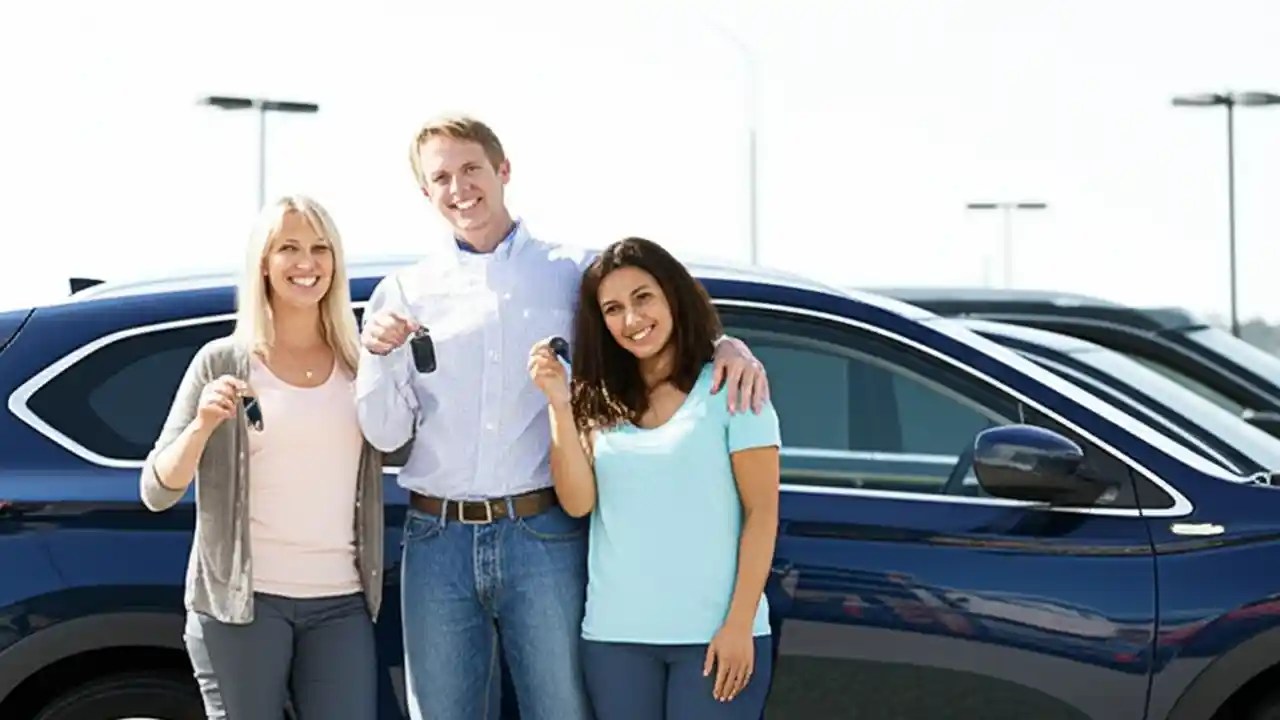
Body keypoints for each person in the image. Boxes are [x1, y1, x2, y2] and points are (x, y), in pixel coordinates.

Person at [355, 114, 770, 720]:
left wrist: (729, 347)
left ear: (503, 171)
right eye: (440, 176)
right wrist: (376, 355)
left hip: (543, 533)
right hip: (435, 540)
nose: (458, 187)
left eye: (471, 168)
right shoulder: (404, 292)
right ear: (426, 192)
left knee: (563, 713)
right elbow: (386, 433)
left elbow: (652, 320)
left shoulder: (570, 272)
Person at [139, 196, 385, 720]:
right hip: (241, 605)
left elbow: (405, 445)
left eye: (321, 249)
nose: (307, 263)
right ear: (264, 264)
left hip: (340, 602)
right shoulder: (223, 360)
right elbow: (157, 489)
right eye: (289, 248)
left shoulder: (360, 364)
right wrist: (204, 426)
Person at [528, 236, 780, 719]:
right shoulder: (595, 402)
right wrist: (559, 404)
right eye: (613, 308)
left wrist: (739, 625)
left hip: (713, 637)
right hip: (615, 640)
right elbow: (579, 503)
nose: (632, 320)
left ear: (672, 295)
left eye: (643, 297)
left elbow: (762, 513)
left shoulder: (732, 386)